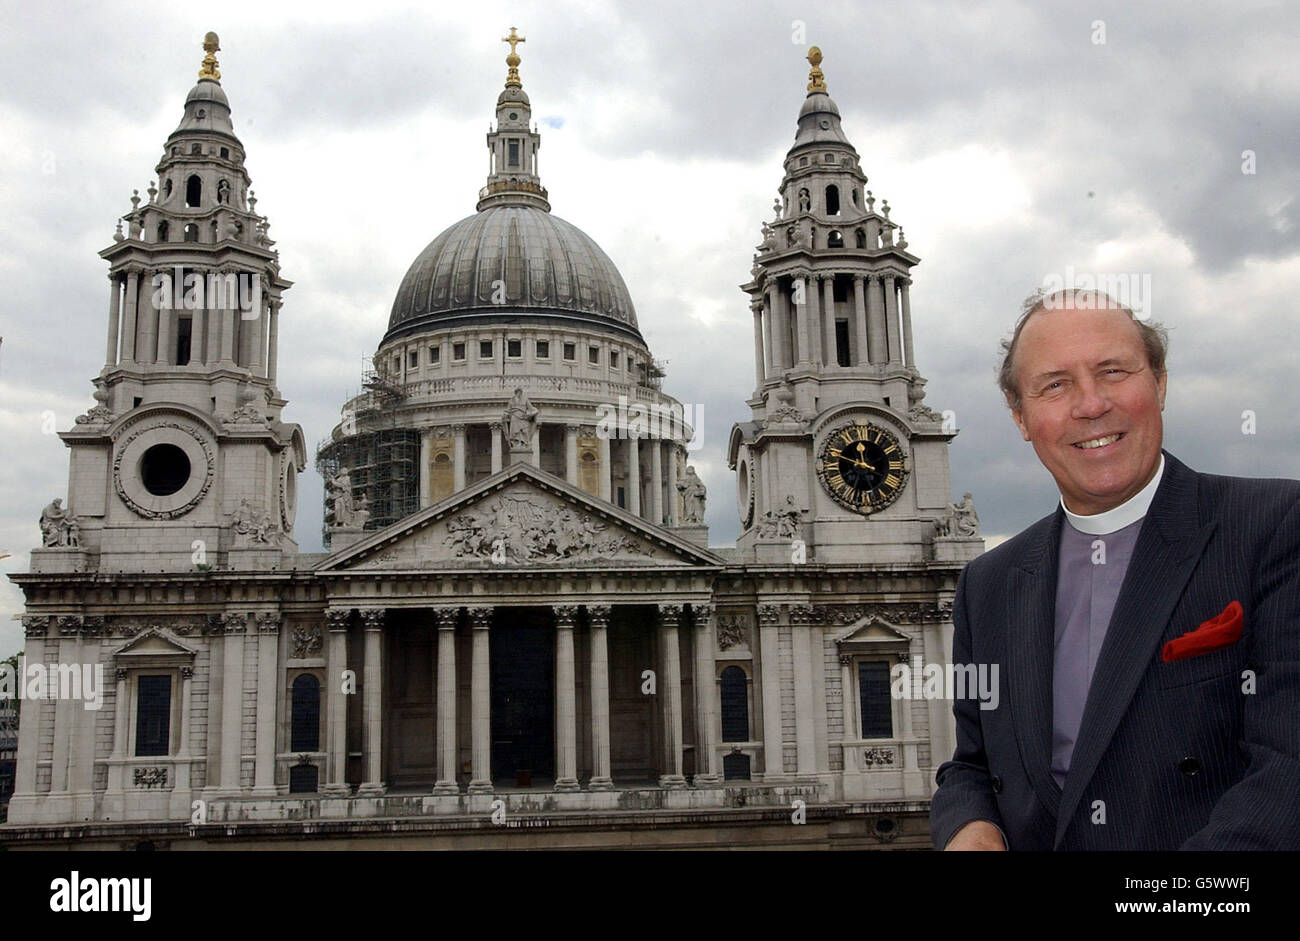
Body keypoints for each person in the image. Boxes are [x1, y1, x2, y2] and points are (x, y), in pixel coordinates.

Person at [930, 287, 1300, 850]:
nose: (1090, 404)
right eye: (1055, 385)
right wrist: (969, 829)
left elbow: (1287, 770)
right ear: (1021, 418)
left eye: (1112, 371)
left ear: (1161, 383)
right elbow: (974, 766)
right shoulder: (988, 583)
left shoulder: (1275, 525)